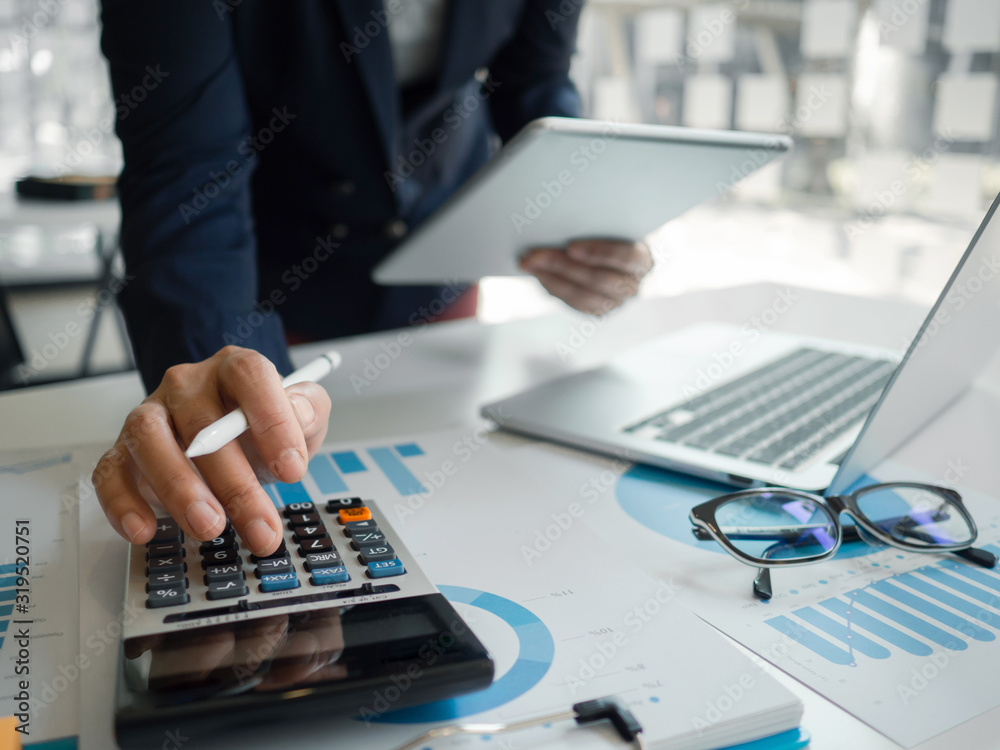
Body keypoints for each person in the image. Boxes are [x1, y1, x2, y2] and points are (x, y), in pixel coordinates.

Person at [94, 0, 653, 557]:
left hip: (439, 282)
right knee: (275, 468)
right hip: (273, 290)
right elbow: (187, 169)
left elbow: (533, 79)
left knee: (453, 523)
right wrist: (217, 371)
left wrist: (583, 221)